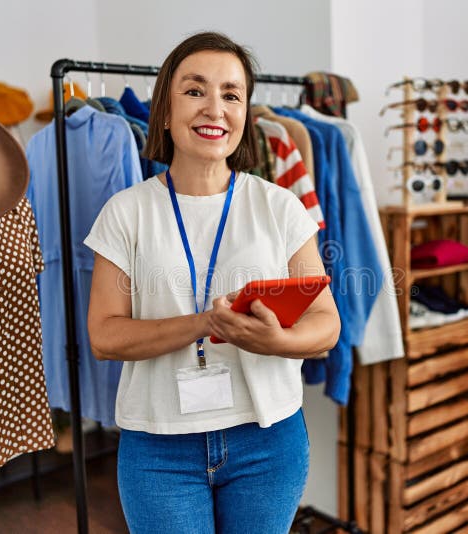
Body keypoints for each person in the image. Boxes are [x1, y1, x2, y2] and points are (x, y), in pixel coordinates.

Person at [84, 32, 340, 533]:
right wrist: (204, 322)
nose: (214, 109)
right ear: (164, 109)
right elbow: (104, 335)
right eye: (195, 91)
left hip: (267, 442)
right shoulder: (126, 212)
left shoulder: (279, 205)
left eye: (231, 95)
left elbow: (326, 323)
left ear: (245, 113)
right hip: (160, 448)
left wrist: (278, 341)